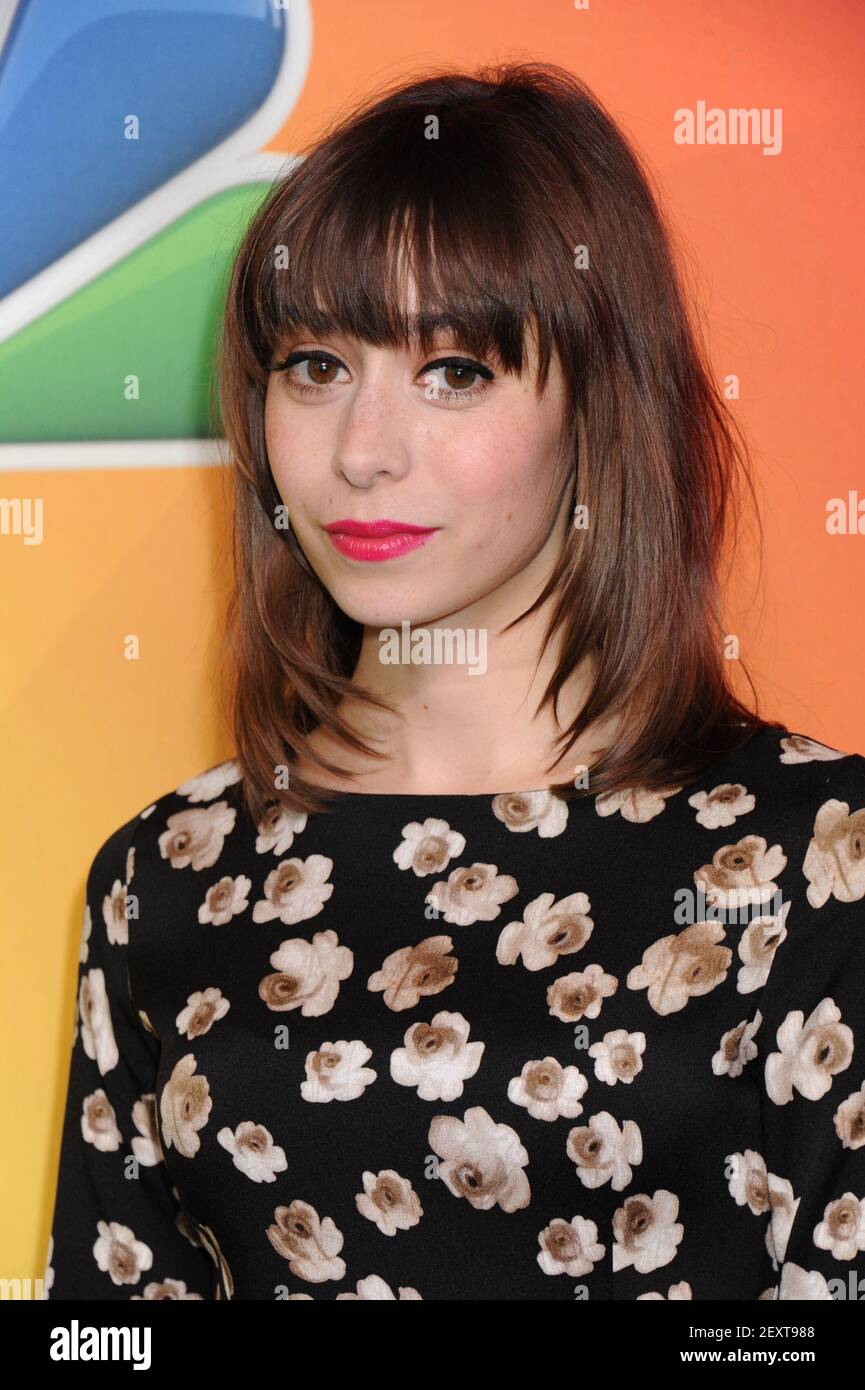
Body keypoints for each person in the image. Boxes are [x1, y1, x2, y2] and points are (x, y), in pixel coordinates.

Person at [44, 62, 865, 1301]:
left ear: (596, 404)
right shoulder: (164, 881)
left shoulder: (818, 859)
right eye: (315, 366)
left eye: (453, 372)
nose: (363, 453)